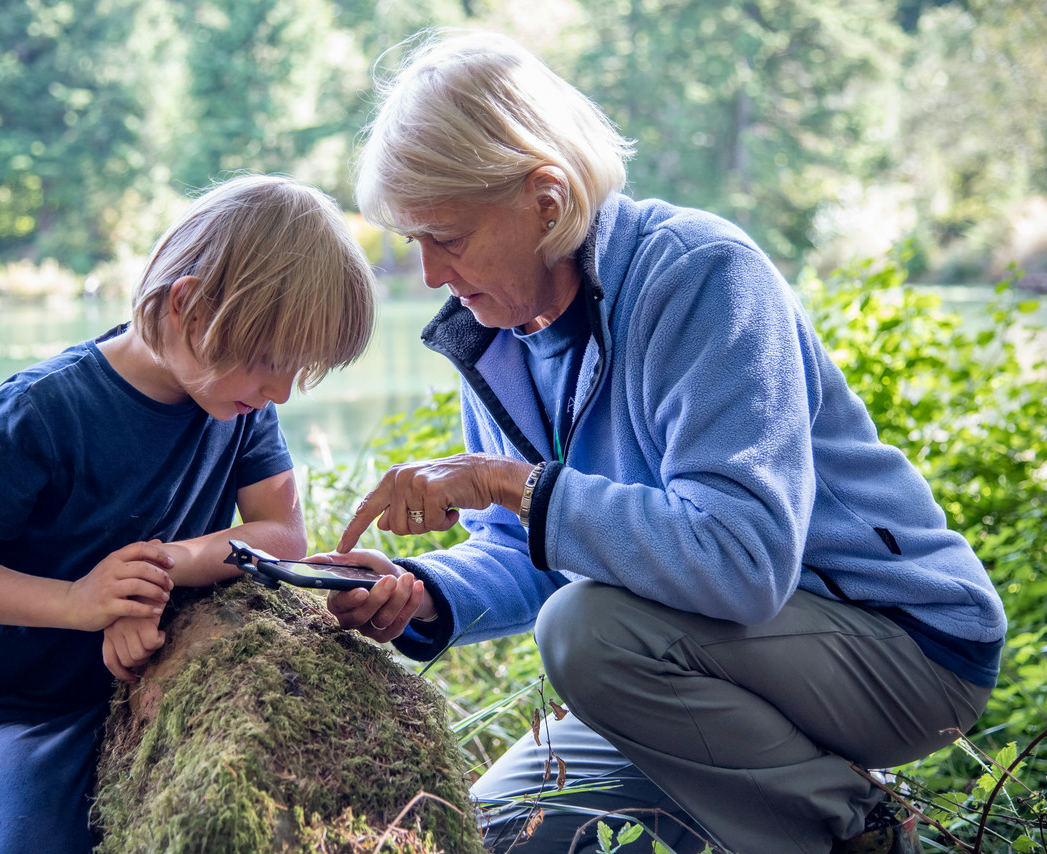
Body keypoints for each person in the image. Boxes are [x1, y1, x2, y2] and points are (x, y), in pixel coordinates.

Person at [320, 30, 1006, 854]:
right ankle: (788, 798)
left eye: (449, 237)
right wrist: (422, 591)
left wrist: (510, 482)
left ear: (546, 199)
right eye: (413, 242)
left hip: (901, 646)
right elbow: (535, 547)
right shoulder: (496, 328)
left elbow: (743, 561)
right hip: (705, 657)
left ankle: (858, 833)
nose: (430, 274)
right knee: (498, 836)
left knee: (584, 632)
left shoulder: (702, 277)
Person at [0, 174, 377, 854]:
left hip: (161, 682)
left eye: (300, 368)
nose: (282, 391)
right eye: (269, 360)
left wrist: (157, 569)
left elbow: (281, 534)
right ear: (188, 306)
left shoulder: (239, 402)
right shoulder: (42, 412)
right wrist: (79, 603)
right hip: (27, 712)